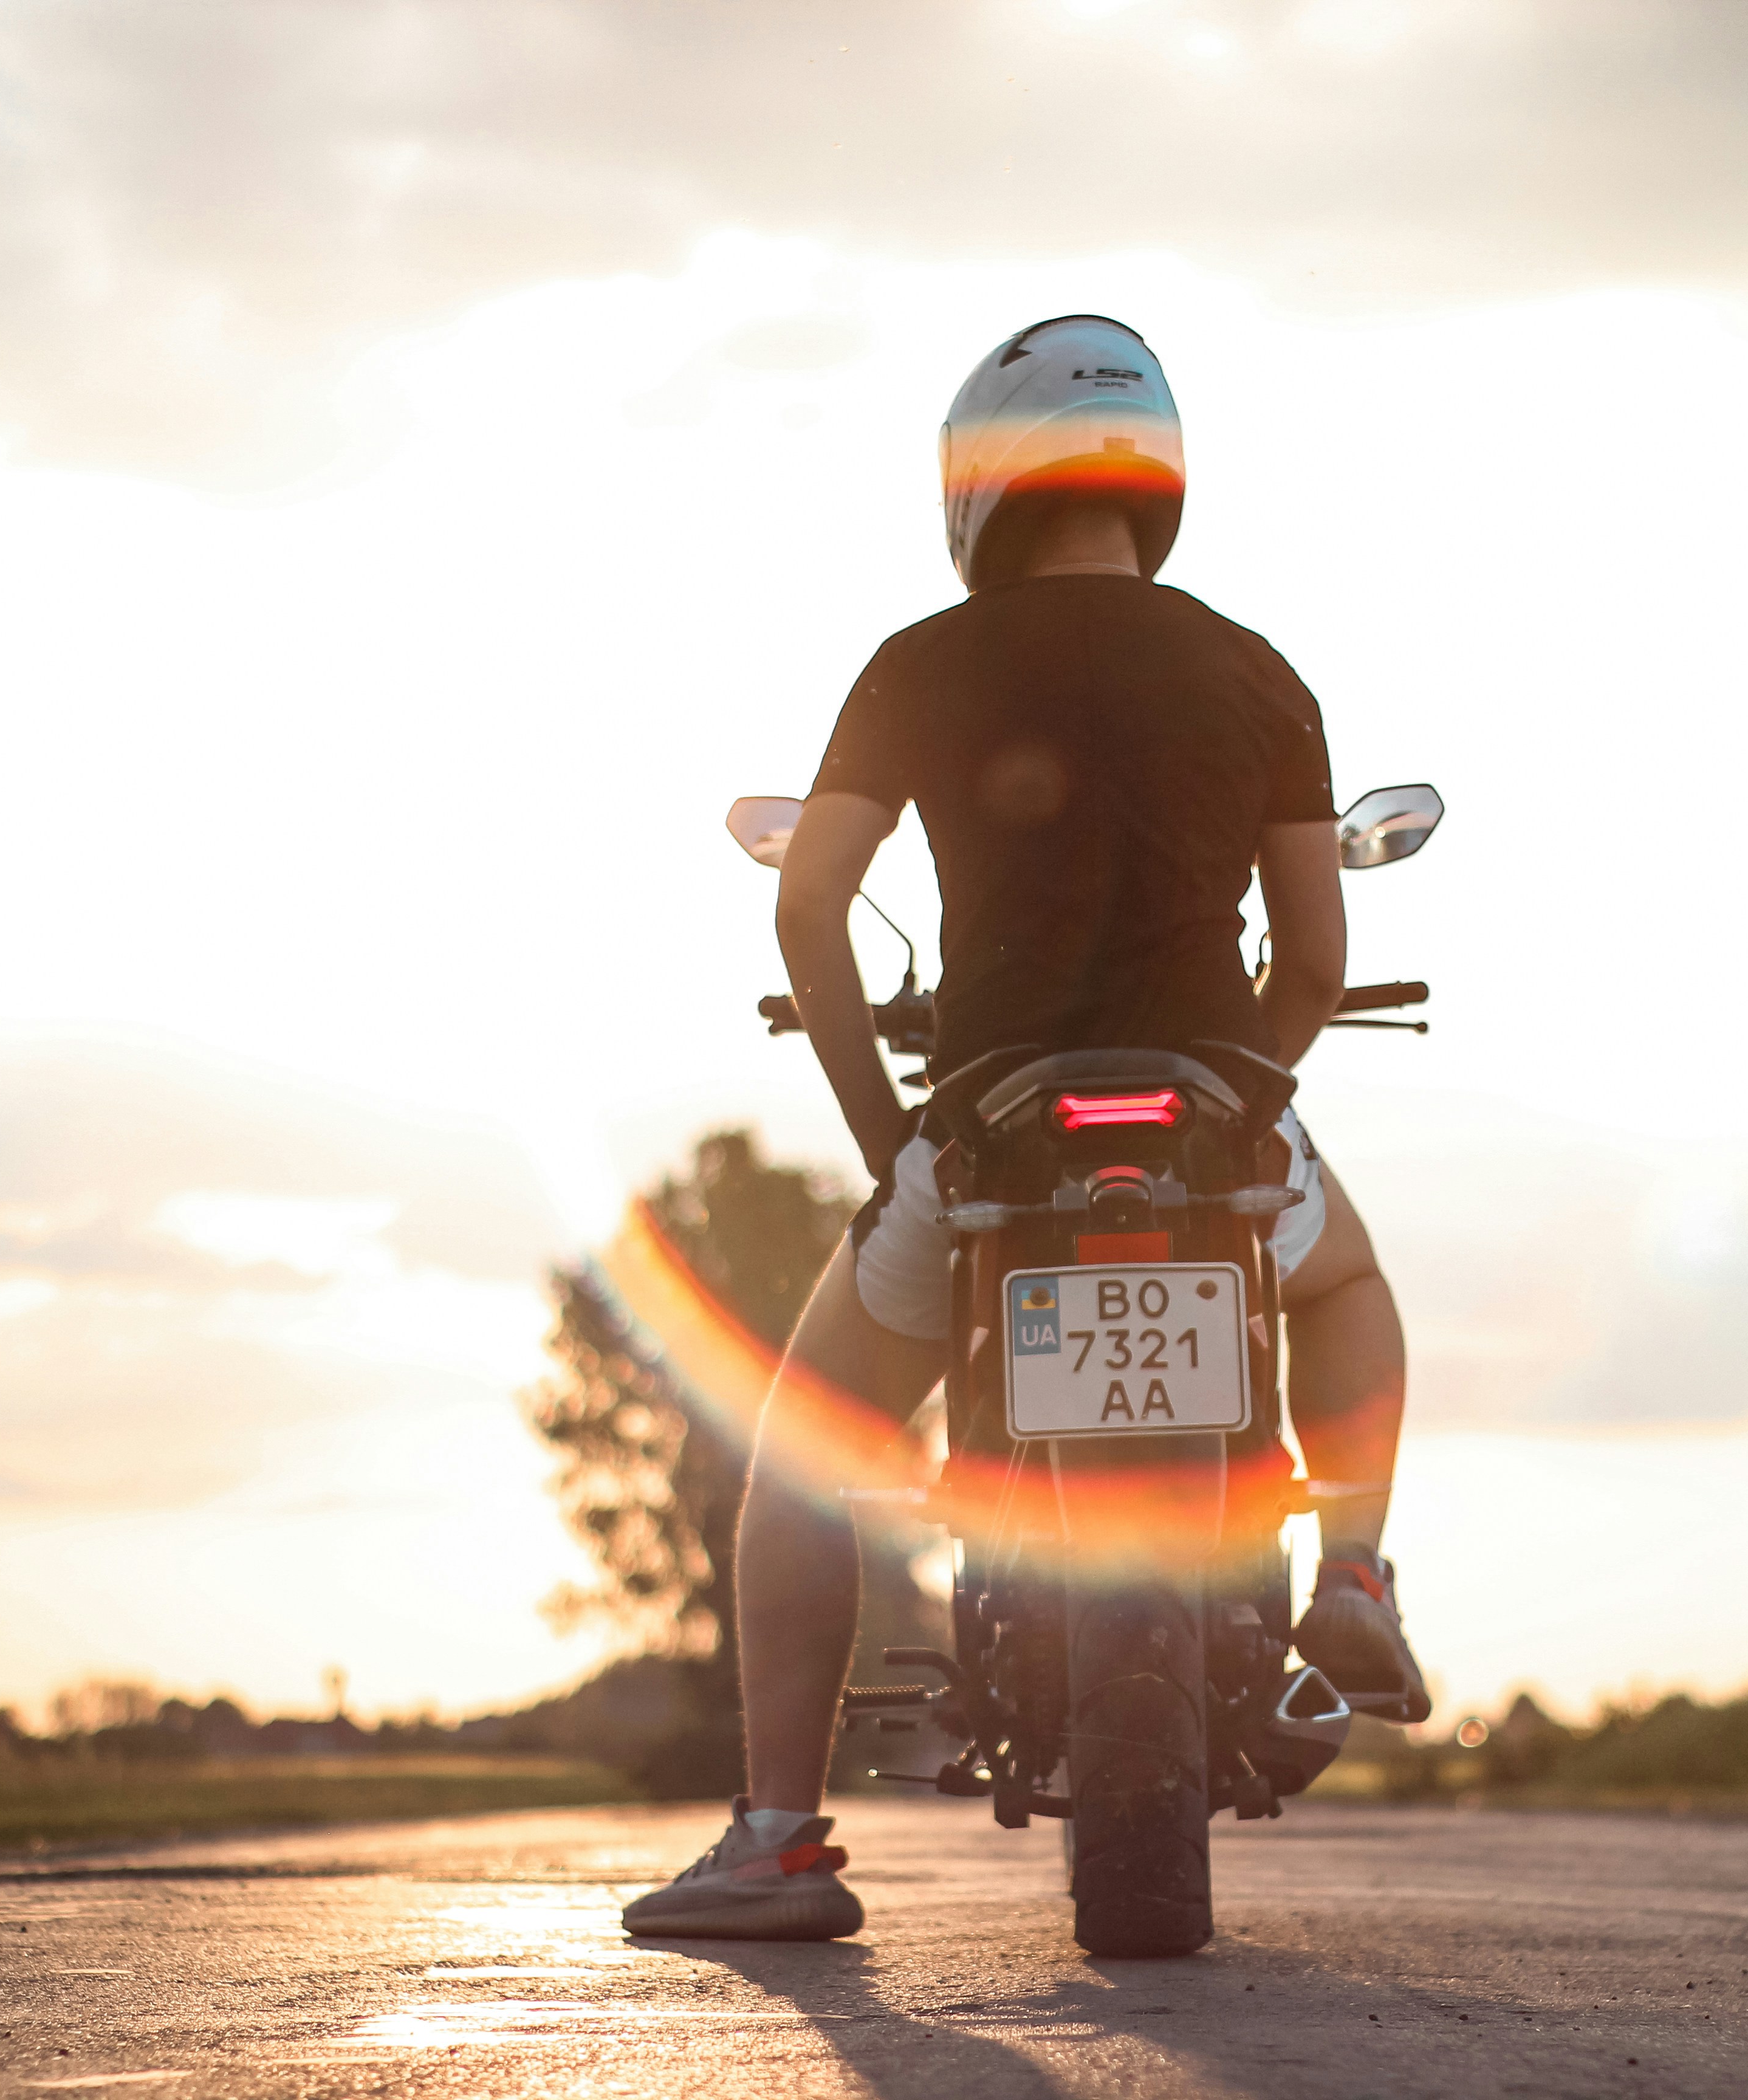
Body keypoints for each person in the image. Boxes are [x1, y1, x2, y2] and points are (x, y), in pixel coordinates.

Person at [623, 315, 1426, 1942]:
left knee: (798, 1462)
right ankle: (1347, 1574)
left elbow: (810, 915)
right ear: (1157, 476)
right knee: (1342, 1288)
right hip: (1213, 1123)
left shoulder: (923, 664)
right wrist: (1243, 1093)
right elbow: (1321, 963)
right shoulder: (1259, 672)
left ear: (979, 486)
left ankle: (780, 1839)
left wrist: (886, 1138)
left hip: (989, 1129)